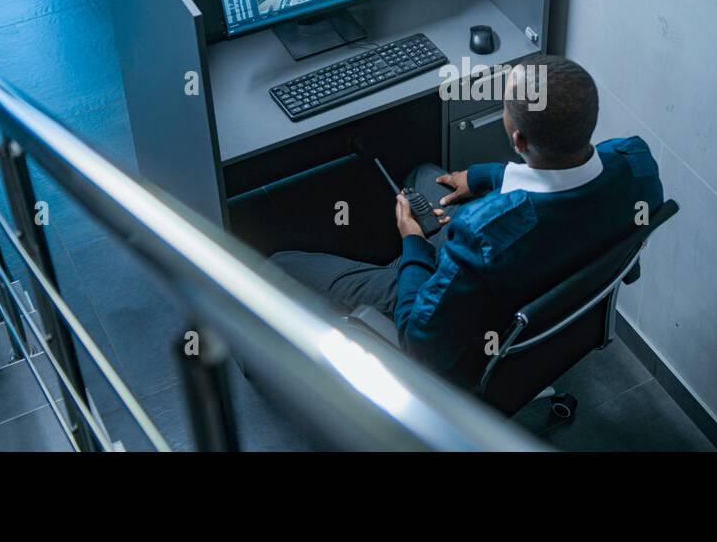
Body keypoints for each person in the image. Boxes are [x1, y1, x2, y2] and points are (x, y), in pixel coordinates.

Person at [269, 54, 663, 389]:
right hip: (543, 304)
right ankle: (402, 263)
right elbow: (564, 183)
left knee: (279, 265)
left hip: (459, 334)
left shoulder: (482, 233)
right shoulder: (636, 162)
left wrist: (414, 244)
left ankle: (392, 276)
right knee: (425, 175)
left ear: (519, 141)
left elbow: (419, 342)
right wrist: (481, 176)